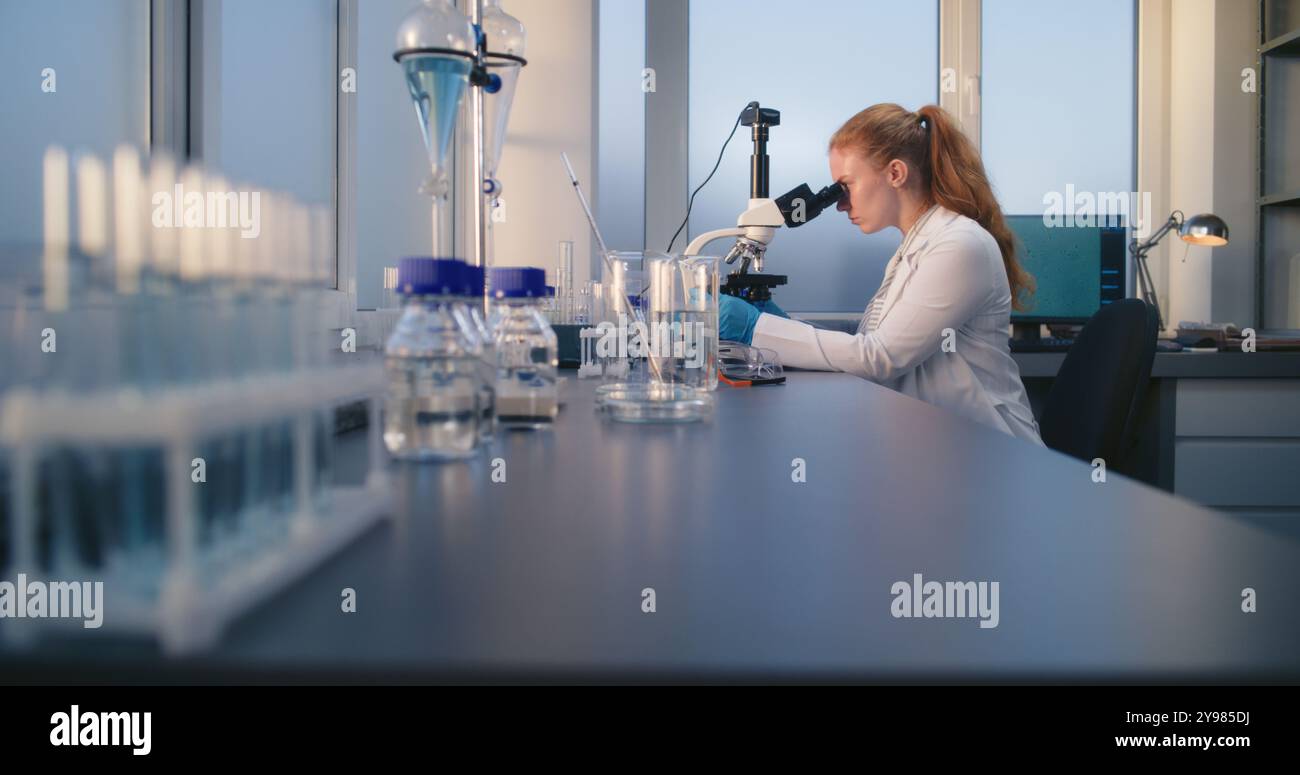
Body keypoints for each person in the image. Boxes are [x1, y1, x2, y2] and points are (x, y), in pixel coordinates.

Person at [718, 103, 1043, 445]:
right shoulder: (916, 246)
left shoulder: (959, 245)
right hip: (936, 445)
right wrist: (785, 327)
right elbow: (872, 342)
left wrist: (755, 328)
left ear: (895, 173)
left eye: (845, 187)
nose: (840, 204)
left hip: (992, 451)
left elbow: (881, 357)